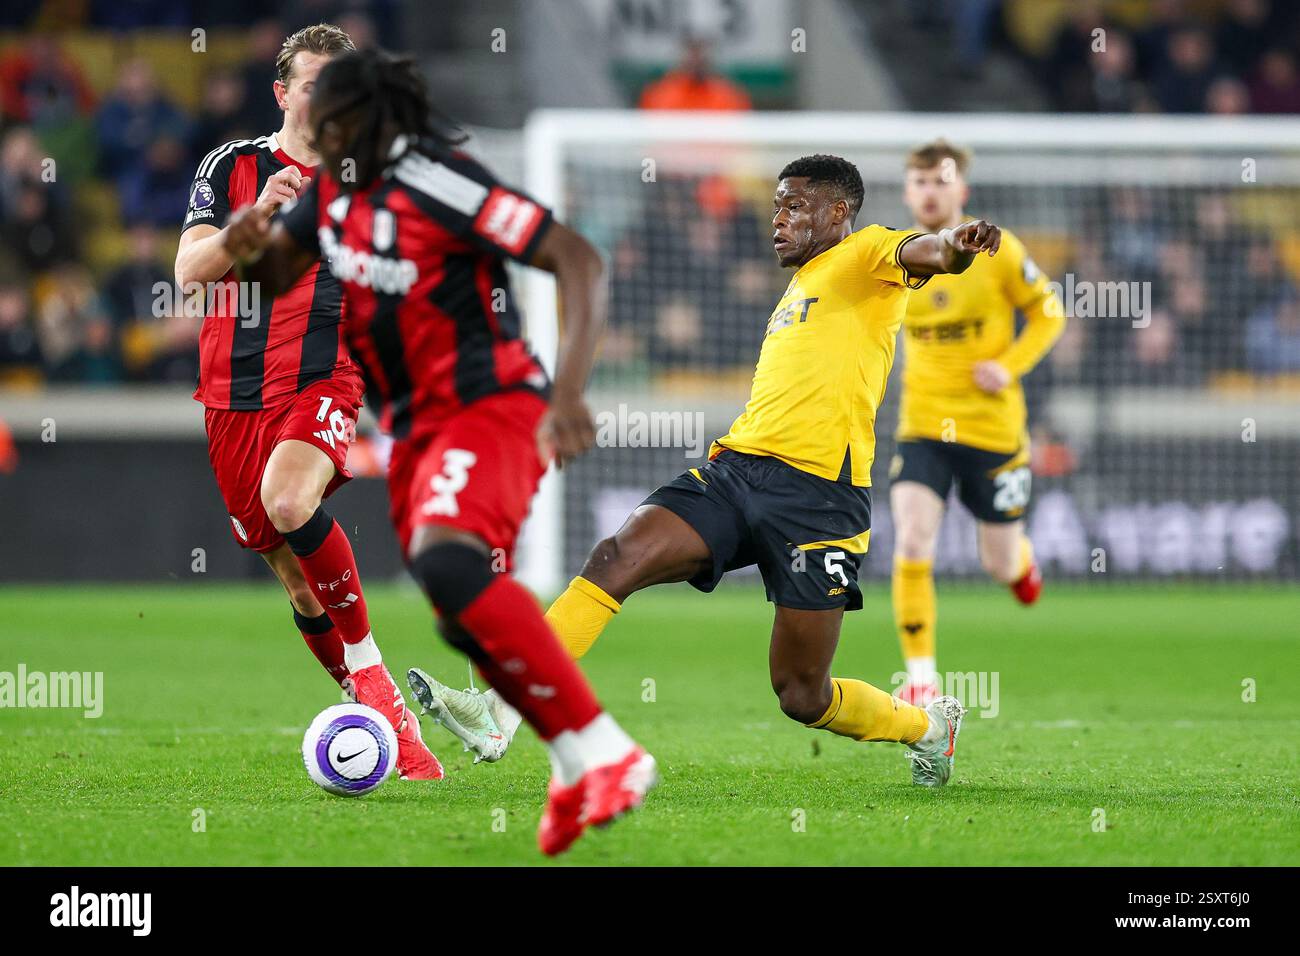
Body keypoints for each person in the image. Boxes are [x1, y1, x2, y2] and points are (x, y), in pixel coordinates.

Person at [421, 154, 1005, 788]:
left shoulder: (867, 253)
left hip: (819, 498)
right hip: (737, 472)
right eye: (776, 205)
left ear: (838, 212)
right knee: (616, 557)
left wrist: (959, 244)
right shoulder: (803, 283)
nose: (778, 219)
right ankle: (499, 711)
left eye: (795, 206)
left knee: (800, 693)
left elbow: (931, 252)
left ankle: (926, 729)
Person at [221, 49, 656, 855]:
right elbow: (276, 270)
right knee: (457, 612)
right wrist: (250, 240)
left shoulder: (439, 181)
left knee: (453, 568)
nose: (316, 135)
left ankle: (611, 753)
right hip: (418, 424)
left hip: (492, 404)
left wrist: (567, 394)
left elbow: (575, 258)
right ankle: (571, 768)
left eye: (332, 121)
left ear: (371, 121)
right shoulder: (329, 194)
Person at [174, 24, 442, 781]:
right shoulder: (233, 165)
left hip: (325, 378)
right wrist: (255, 220)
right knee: (295, 578)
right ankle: (386, 727)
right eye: (314, 83)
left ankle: (377, 684)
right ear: (283, 92)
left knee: (291, 501)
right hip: (231, 396)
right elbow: (190, 271)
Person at [888, 140, 1065, 706]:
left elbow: (1049, 311)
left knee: (999, 561)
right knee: (913, 537)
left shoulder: (999, 250)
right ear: (907, 192)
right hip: (922, 427)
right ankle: (920, 679)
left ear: (961, 190)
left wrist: (1008, 367)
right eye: (919, 182)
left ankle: (1021, 565)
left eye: (940, 181)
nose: (929, 191)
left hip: (991, 429)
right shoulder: (895, 255)